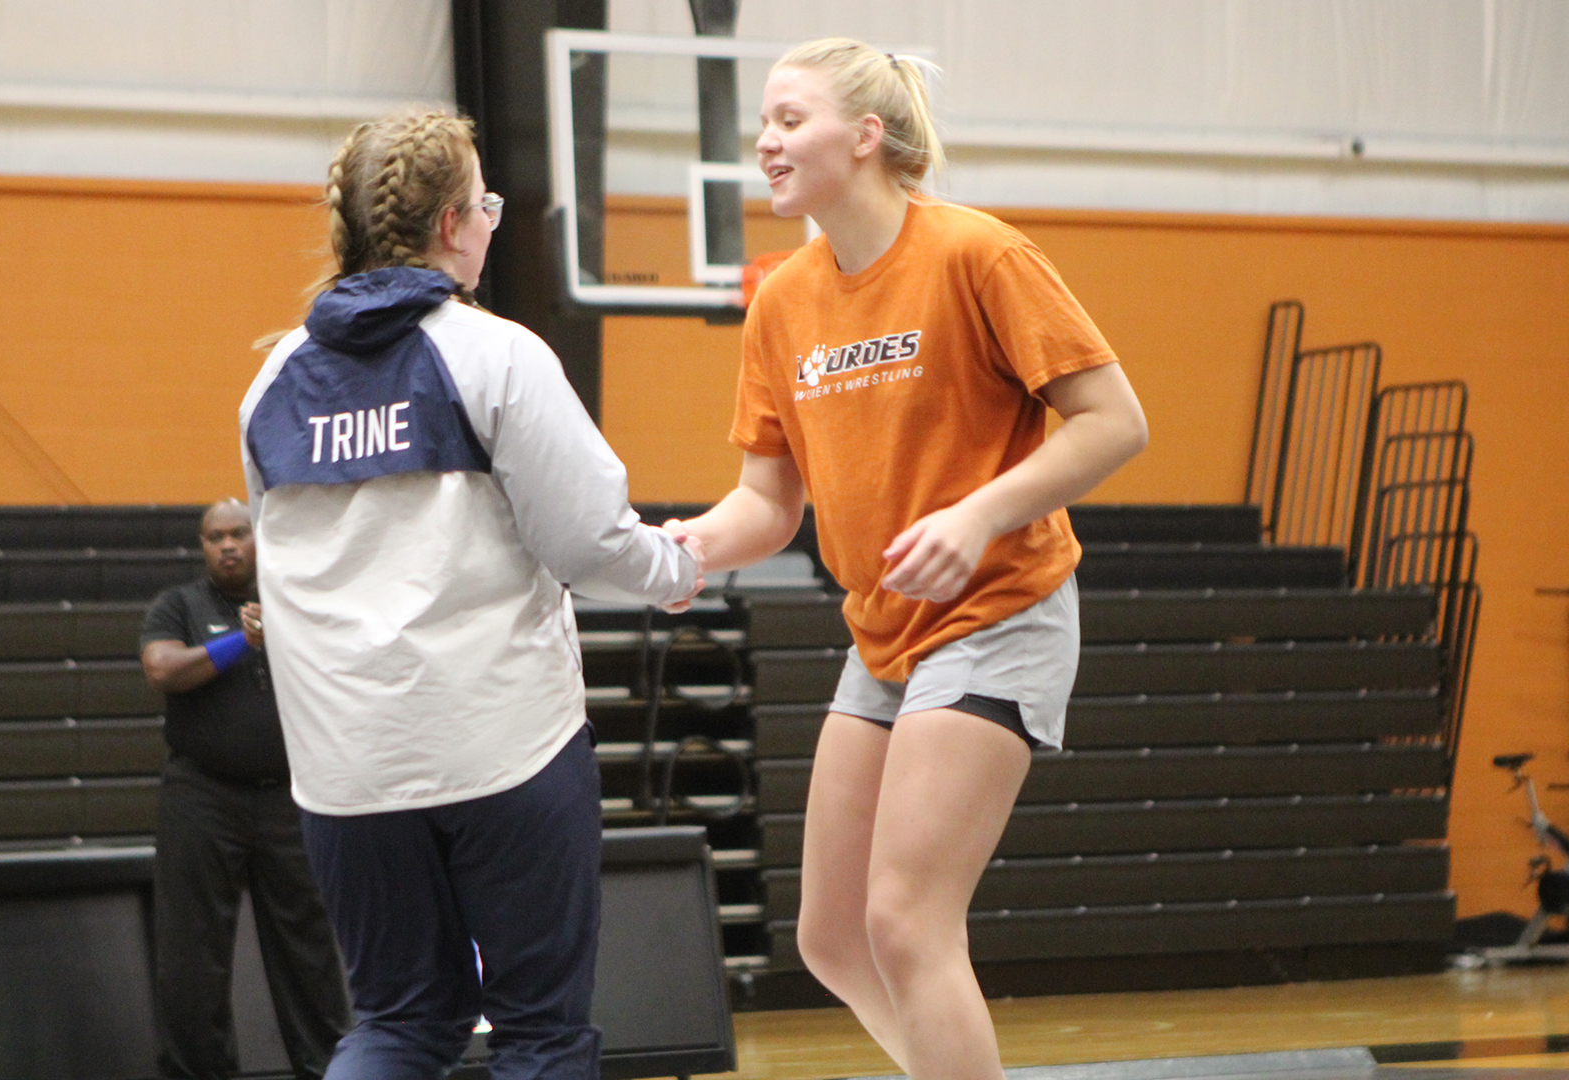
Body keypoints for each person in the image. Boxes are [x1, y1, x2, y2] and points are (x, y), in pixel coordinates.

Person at [667, 39, 1149, 1080]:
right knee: (831, 937)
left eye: (791, 120)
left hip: (1002, 609)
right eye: (765, 122)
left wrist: (979, 515)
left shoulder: (979, 255)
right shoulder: (782, 303)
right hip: (884, 634)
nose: (765, 142)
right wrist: (685, 546)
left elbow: (1115, 421)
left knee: (906, 922)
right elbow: (765, 502)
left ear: (868, 136)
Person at [236, 106, 703, 1080]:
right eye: (486, 203)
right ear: (453, 225)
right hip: (504, 753)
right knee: (540, 1033)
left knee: (398, 1025)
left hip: (348, 768)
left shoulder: (272, 382)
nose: (490, 221)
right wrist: (678, 569)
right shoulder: (496, 355)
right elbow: (589, 540)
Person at [139, 498, 351, 1080]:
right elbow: (161, 669)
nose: (227, 545)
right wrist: (240, 641)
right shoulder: (178, 605)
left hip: (288, 795)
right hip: (202, 795)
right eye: (214, 537)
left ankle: (331, 1071)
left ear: (259, 539)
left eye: (238, 533)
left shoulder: (298, 600)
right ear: (202, 546)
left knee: (308, 950)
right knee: (191, 955)